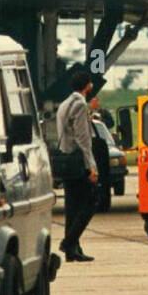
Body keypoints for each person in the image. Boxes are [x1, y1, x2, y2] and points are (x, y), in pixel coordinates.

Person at [55, 67, 100, 262]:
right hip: (78, 161)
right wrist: (92, 166)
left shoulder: (65, 103)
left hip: (65, 159)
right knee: (91, 201)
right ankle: (68, 242)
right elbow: (83, 139)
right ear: (88, 86)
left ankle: (73, 250)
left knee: (72, 206)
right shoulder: (80, 105)